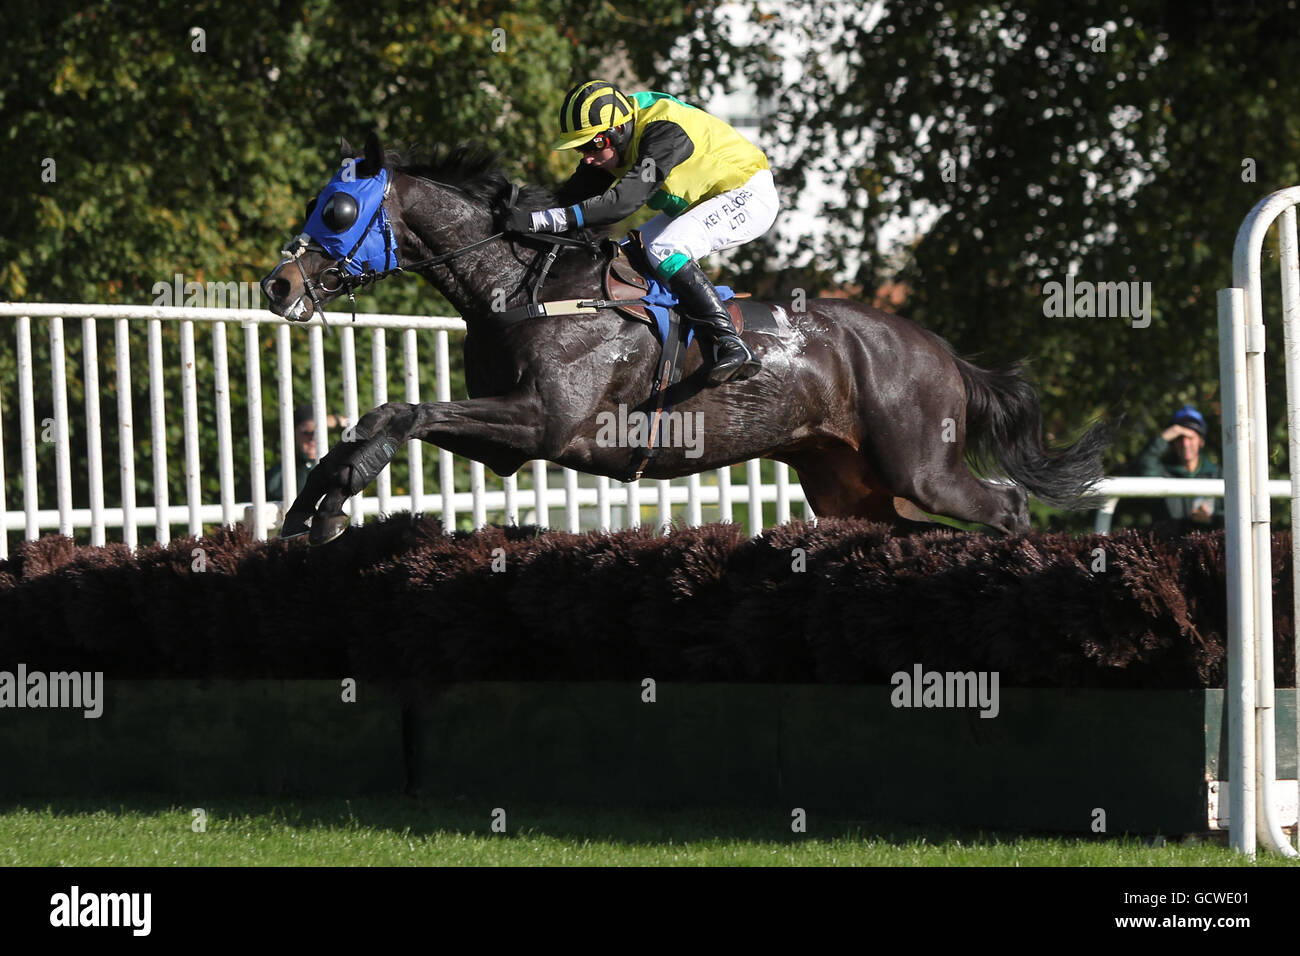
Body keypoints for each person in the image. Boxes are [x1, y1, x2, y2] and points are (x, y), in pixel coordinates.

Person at [504, 79, 780, 386]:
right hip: (706, 200)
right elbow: (568, 200)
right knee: (629, 251)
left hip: (747, 193)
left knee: (665, 248)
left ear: (617, 131)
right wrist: (515, 212)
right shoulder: (612, 141)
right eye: (580, 148)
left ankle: (731, 343)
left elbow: (623, 202)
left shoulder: (664, 132)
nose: (586, 157)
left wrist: (541, 221)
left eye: (591, 145)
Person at [1135, 404, 1222, 525]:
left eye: (1190, 437)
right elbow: (1144, 465)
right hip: (1168, 543)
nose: (1185, 444)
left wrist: (1211, 519)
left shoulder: (1217, 474)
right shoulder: (1163, 473)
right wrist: (1163, 438)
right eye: (1179, 437)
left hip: (1207, 543)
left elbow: (1234, 514)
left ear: (1201, 441)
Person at [266, 405, 336, 502]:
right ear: (294, 433)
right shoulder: (279, 475)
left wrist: (336, 420)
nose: (313, 438)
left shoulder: (336, 469)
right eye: (307, 432)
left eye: (318, 432)